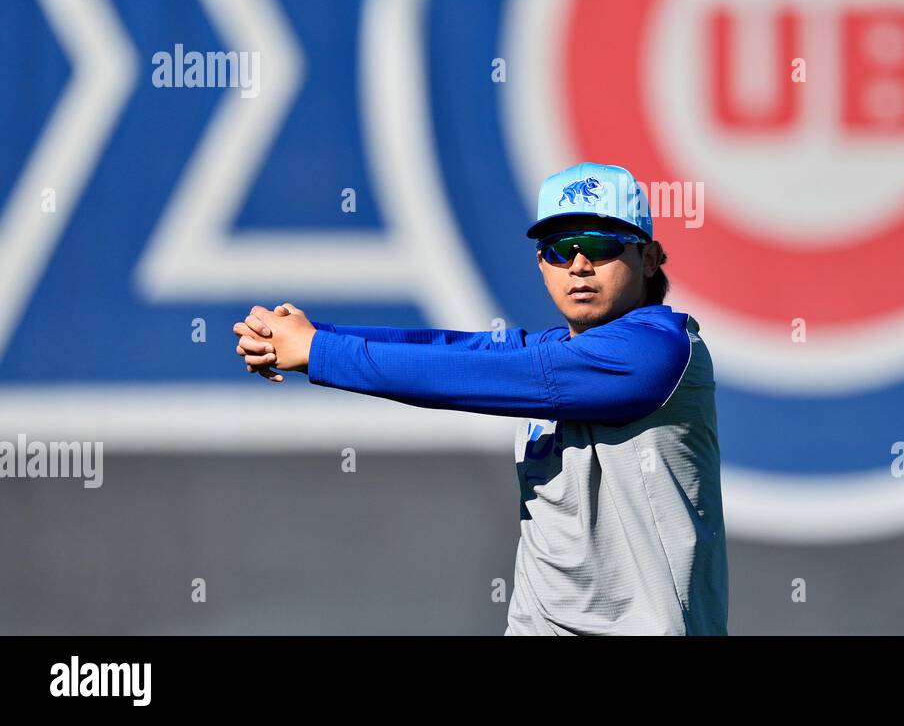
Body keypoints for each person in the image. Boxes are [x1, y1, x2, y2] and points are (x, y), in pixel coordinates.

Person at [232, 162, 728, 635]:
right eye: (559, 249)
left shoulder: (657, 351)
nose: (578, 264)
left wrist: (318, 352)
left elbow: (465, 371)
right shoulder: (554, 350)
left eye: (599, 246)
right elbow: (452, 348)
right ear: (542, 262)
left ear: (648, 258)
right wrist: (307, 335)